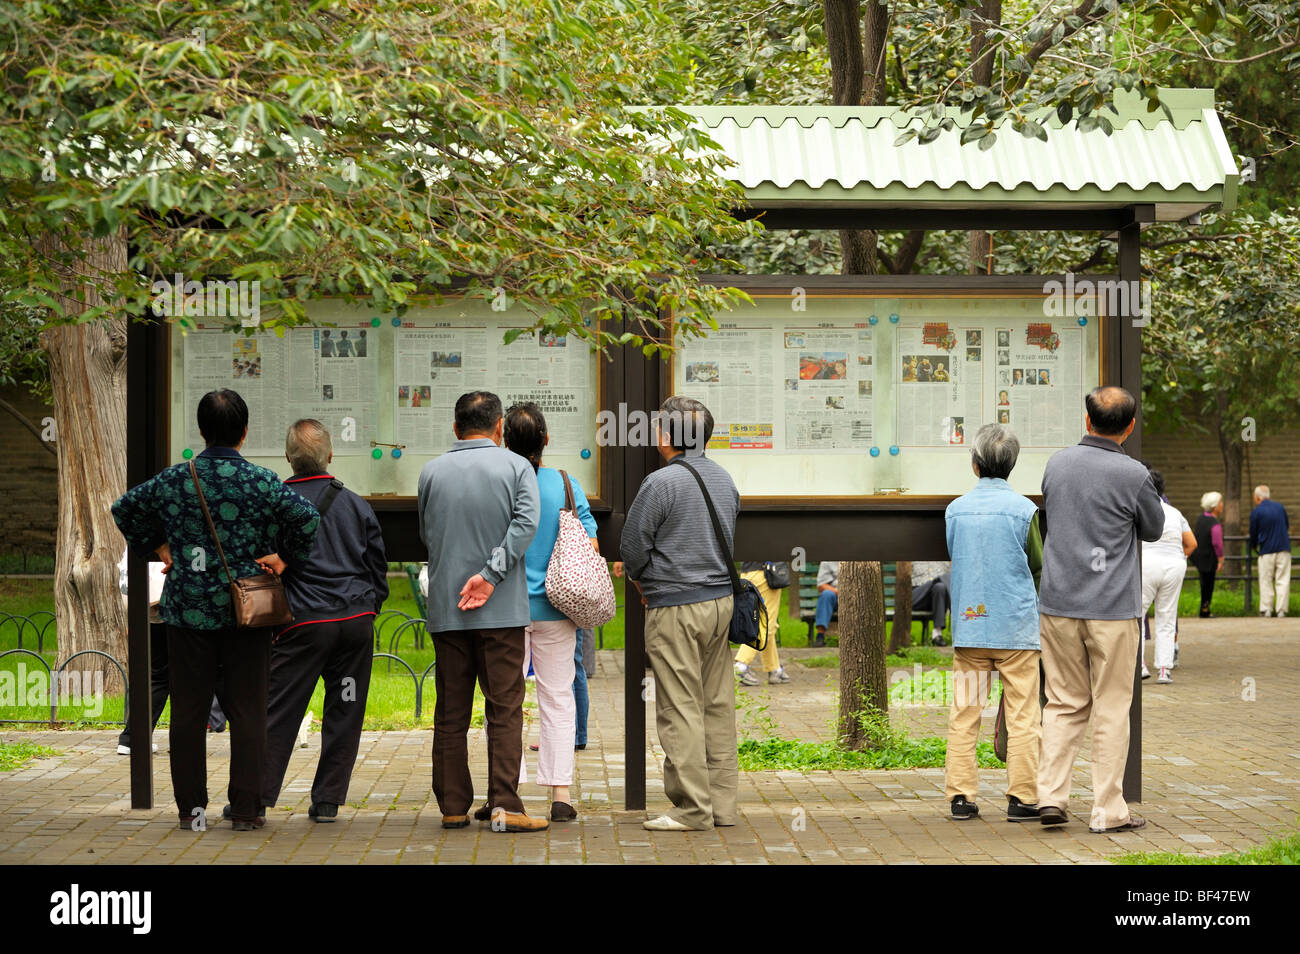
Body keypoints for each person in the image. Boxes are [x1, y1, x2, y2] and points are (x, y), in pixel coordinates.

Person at [112, 389, 320, 831]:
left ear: (202, 431)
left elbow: (123, 509)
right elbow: (308, 519)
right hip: (249, 610)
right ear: (244, 433)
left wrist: (159, 546)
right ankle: (247, 809)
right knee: (249, 711)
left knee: (188, 711)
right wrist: (283, 557)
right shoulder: (262, 481)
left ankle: (192, 810)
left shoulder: (174, 479)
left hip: (188, 611)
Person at [1035, 386, 1163, 834]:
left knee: (1064, 702)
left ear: (1087, 421)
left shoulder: (1056, 464)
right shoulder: (1134, 475)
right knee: (1110, 706)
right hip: (1112, 608)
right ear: (1129, 427)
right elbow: (1153, 528)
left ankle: (1050, 797)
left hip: (1058, 603)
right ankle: (1108, 811)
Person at [417, 391, 546, 832]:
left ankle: (453, 806)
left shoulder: (431, 472)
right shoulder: (516, 467)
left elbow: (427, 532)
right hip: (502, 612)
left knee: (451, 709)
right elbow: (526, 523)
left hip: (448, 610)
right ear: (498, 429)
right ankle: (505, 805)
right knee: (505, 707)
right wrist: (491, 575)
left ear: (455, 428)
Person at [259, 420, 389, 823]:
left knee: (279, 711)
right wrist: (369, 608)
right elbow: (377, 568)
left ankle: (257, 797)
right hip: (354, 624)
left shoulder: (276, 504)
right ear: (330, 456)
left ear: (288, 458)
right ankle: (328, 800)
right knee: (345, 708)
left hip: (302, 625)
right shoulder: (355, 504)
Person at [621, 396, 739, 832]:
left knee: (680, 707)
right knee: (717, 705)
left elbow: (633, 549)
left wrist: (642, 583)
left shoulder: (661, 483)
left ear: (668, 437)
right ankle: (722, 807)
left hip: (675, 606)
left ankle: (692, 809)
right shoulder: (725, 480)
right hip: (720, 605)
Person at [502, 401, 599, 823]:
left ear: (503, 440)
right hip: (557, 608)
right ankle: (560, 794)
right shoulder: (563, 483)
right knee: (557, 698)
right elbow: (590, 544)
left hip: (504, 609)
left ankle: (509, 790)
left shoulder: (498, 483)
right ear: (545, 440)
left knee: (505, 701)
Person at [944, 423, 1044, 822]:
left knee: (964, 713)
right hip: (1016, 628)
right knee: (1023, 714)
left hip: (970, 627)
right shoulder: (1026, 511)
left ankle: (961, 798)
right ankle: (1022, 798)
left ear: (974, 465)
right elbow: (1037, 565)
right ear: (1013, 466)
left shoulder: (955, 510)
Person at [116, 552, 225, 753]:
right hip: (179, 603)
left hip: (148, 604)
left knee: (158, 675)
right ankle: (184, 740)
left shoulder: (143, 526)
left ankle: (132, 738)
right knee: (194, 673)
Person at [1138, 468, 1196, 685]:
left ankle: (1140, 665)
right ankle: (1164, 669)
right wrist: (1179, 558)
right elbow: (1192, 544)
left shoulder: (1140, 510)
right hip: (1174, 566)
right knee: (1167, 617)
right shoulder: (1175, 513)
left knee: (1138, 616)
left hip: (1146, 565)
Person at [733, 561, 789, 686]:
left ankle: (774, 669)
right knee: (766, 624)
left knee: (769, 625)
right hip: (766, 574)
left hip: (747, 573)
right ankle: (741, 665)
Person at [1250, 485, 1291, 617]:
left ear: (1257, 497)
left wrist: (1253, 546)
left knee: (1265, 579)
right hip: (1283, 548)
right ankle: (1281, 610)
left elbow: (1253, 533)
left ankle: (1266, 609)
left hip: (1266, 550)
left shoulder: (1257, 512)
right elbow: (1287, 525)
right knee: (1283, 580)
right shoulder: (1280, 508)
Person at [1189, 492, 1225, 618]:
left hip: (1199, 556)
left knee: (1204, 583)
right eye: (1221, 502)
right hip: (1209, 558)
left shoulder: (1201, 519)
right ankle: (1205, 609)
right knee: (1208, 584)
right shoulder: (1214, 523)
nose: (1222, 505)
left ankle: (1204, 609)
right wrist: (1221, 559)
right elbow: (1217, 543)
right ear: (1215, 506)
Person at [911, 561, 951, 646]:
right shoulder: (913, 558)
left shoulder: (944, 561)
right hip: (917, 598)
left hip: (936, 601)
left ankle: (937, 634)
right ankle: (935, 581)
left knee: (940, 586)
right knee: (940, 579)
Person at [813, 561, 838, 647]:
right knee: (826, 595)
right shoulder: (827, 562)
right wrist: (839, 592)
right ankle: (820, 636)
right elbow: (821, 586)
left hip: (854, 594)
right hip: (835, 595)